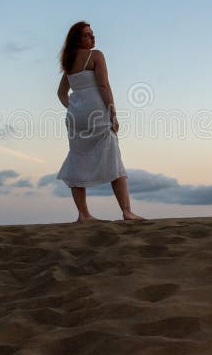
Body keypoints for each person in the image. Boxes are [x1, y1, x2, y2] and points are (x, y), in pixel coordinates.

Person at [56, 21, 146, 223]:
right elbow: (103, 86)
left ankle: (83, 215)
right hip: (97, 112)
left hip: (76, 117)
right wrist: (113, 114)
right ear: (77, 39)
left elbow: (61, 93)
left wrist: (72, 107)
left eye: (92, 34)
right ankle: (127, 211)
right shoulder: (96, 55)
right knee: (113, 158)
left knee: (78, 159)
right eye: (87, 35)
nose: (93, 38)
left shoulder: (69, 64)